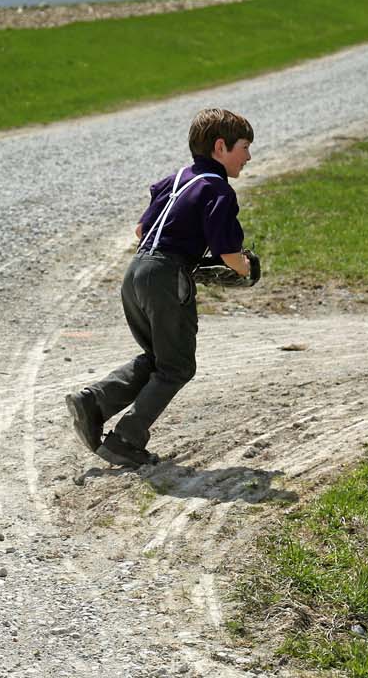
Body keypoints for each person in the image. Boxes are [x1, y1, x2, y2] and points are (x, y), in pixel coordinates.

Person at [65, 108, 256, 469]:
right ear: (221, 146)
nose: (248, 156)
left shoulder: (177, 179)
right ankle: (125, 439)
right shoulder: (217, 188)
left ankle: (95, 402)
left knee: (160, 358)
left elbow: (141, 232)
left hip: (136, 272)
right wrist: (247, 268)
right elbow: (229, 253)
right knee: (177, 366)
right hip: (167, 276)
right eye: (244, 146)